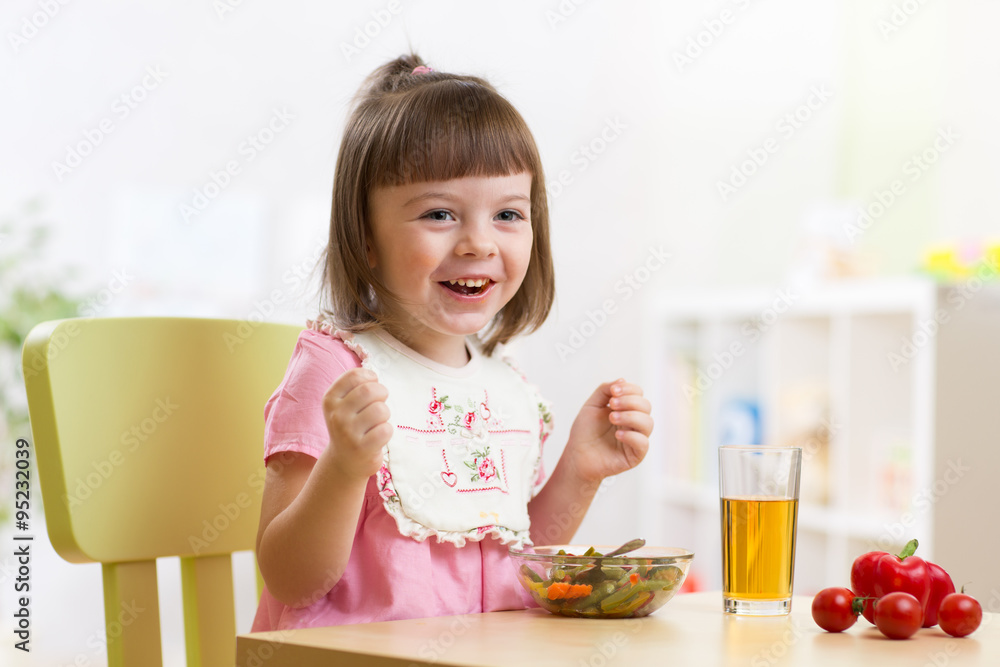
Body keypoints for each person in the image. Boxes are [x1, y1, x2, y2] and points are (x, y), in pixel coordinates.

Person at [252, 53, 653, 631]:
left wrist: (580, 470)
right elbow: (291, 579)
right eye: (440, 213)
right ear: (364, 239)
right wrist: (342, 468)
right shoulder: (334, 371)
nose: (478, 243)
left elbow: (523, 563)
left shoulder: (503, 383)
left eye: (508, 214)